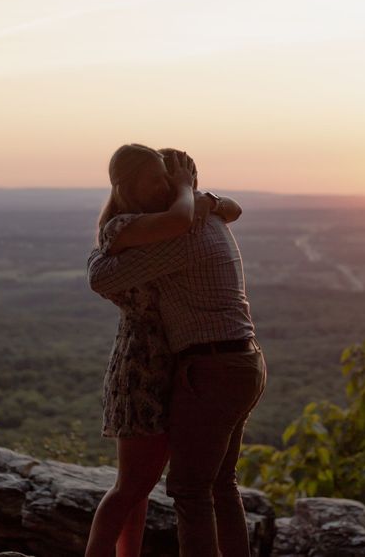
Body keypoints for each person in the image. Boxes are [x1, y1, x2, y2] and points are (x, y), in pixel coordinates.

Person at [87, 148, 267, 557]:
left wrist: (199, 198)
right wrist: (207, 200)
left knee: (190, 488)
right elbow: (225, 208)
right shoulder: (206, 219)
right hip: (239, 362)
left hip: (212, 367)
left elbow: (102, 277)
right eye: (156, 179)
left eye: (168, 180)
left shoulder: (183, 233)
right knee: (220, 483)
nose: (164, 187)